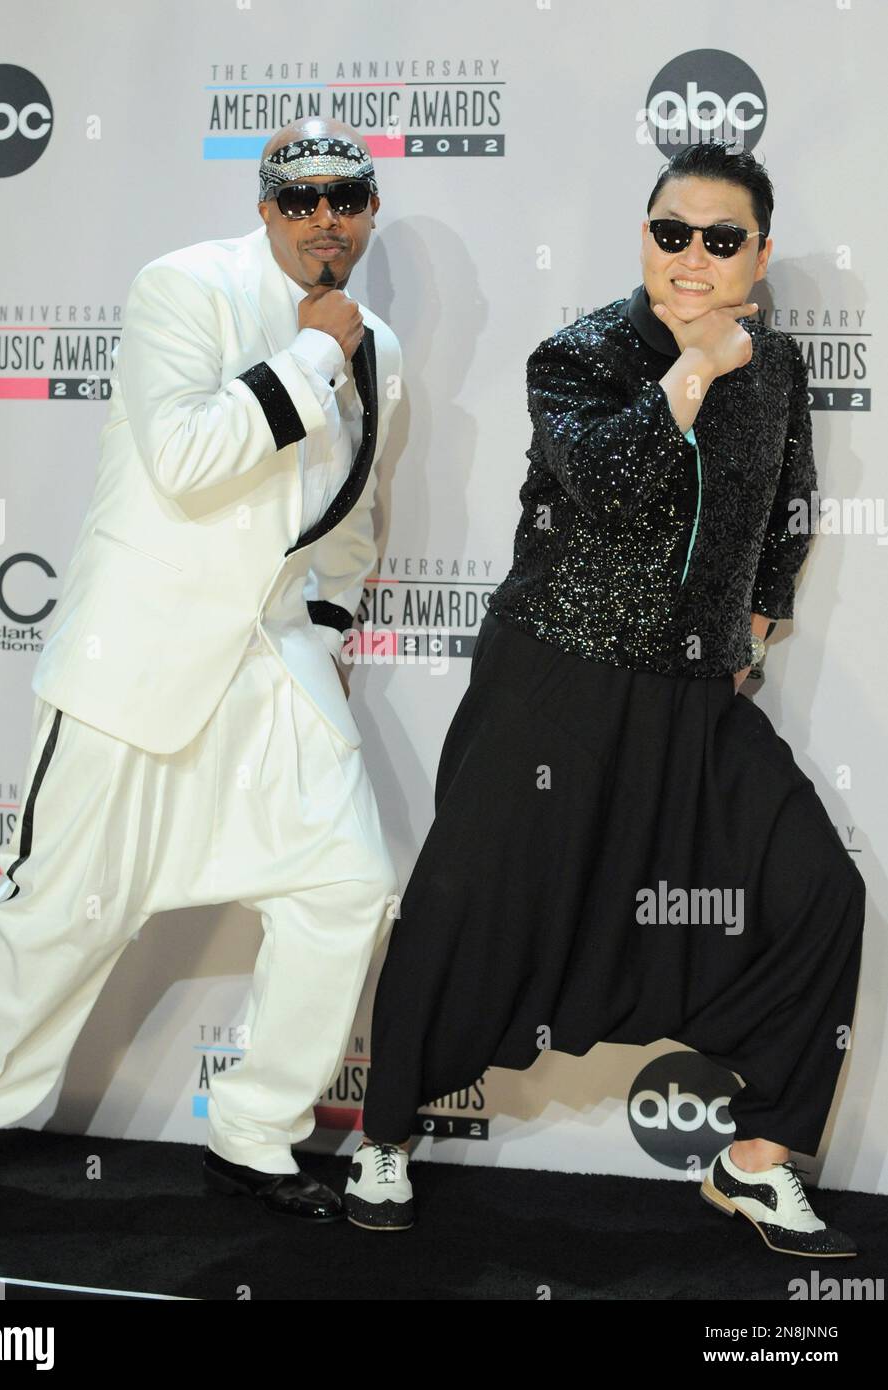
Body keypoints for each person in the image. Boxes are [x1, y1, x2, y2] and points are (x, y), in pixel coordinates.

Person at [344, 140, 865, 1258]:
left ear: (757, 255)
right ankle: (384, 1132)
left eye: (718, 240)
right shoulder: (579, 354)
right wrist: (692, 371)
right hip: (558, 680)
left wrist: (754, 627)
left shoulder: (777, 370)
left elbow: (789, 501)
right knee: (471, 899)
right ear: (645, 237)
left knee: (819, 889)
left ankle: (754, 1159)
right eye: (668, 233)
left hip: (692, 693)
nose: (689, 257)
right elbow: (618, 483)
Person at [0, 116, 403, 1223]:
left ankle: (257, 1132)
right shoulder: (184, 289)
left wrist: (319, 631)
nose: (326, 219)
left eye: (348, 198)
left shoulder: (381, 345)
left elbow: (352, 514)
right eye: (301, 198)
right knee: (64, 913)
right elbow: (182, 459)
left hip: (272, 661)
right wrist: (314, 351)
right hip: (138, 652)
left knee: (347, 889)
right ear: (265, 206)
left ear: (370, 210)